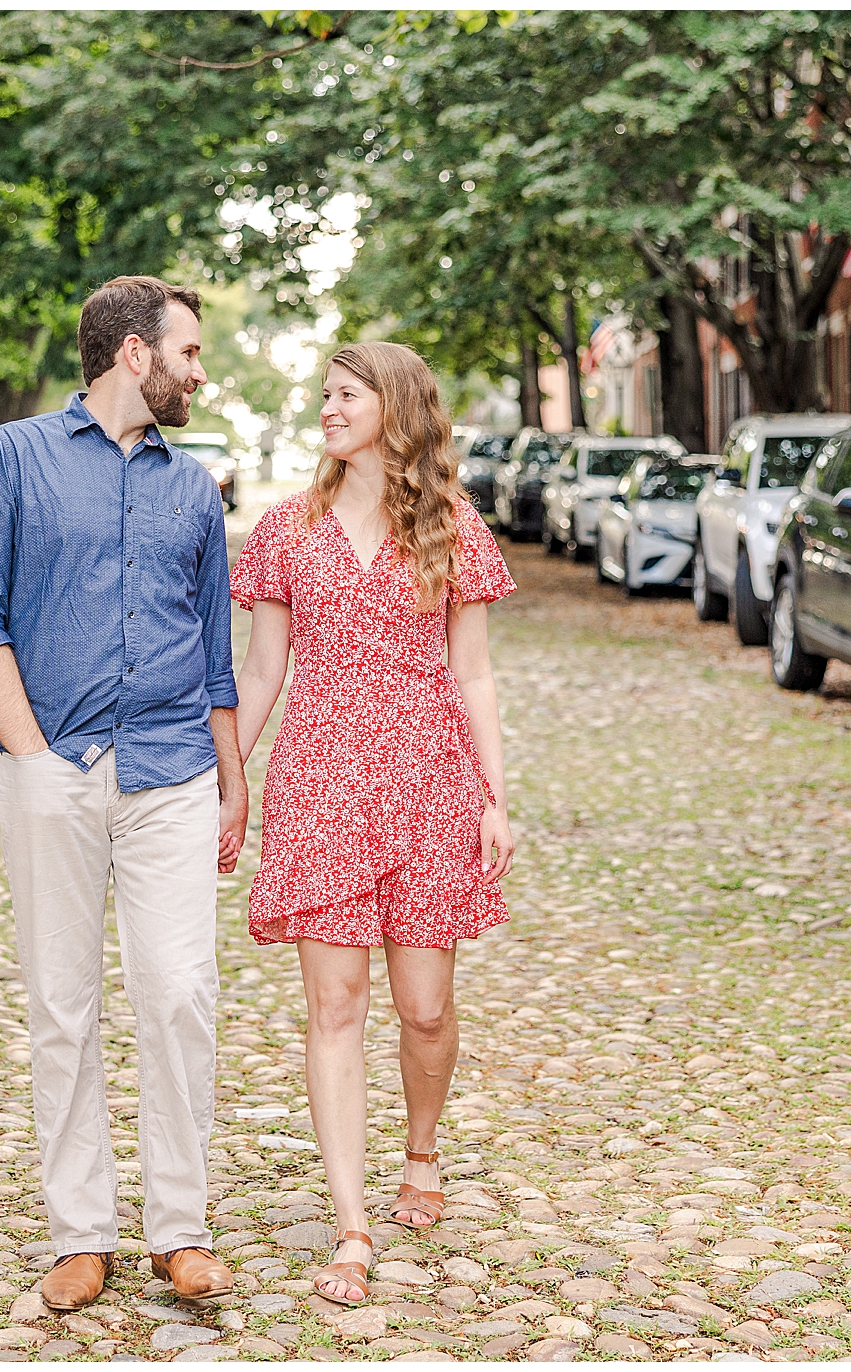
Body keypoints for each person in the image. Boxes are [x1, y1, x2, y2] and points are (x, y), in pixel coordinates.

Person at [0, 276, 246, 1312]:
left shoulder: (192, 487)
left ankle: (180, 1227)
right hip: (52, 765)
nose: (199, 373)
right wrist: (31, 758)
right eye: (190, 353)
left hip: (174, 771)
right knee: (62, 1005)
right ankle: (80, 1232)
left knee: (176, 993)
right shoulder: (8, 460)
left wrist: (234, 781)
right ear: (133, 354)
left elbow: (215, 655)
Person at [227, 341, 516, 1305]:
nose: (327, 410)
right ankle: (351, 1226)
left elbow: (473, 671)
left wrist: (495, 797)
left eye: (345, 396)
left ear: (394, 409)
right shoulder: (284, 532)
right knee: (334, 1008)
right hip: (318, 787)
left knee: (425, 1007)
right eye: (325, 396)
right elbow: (263, 670)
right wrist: (229, 776)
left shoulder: (451, 527)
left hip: (429, 782)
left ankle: (421, 1148)